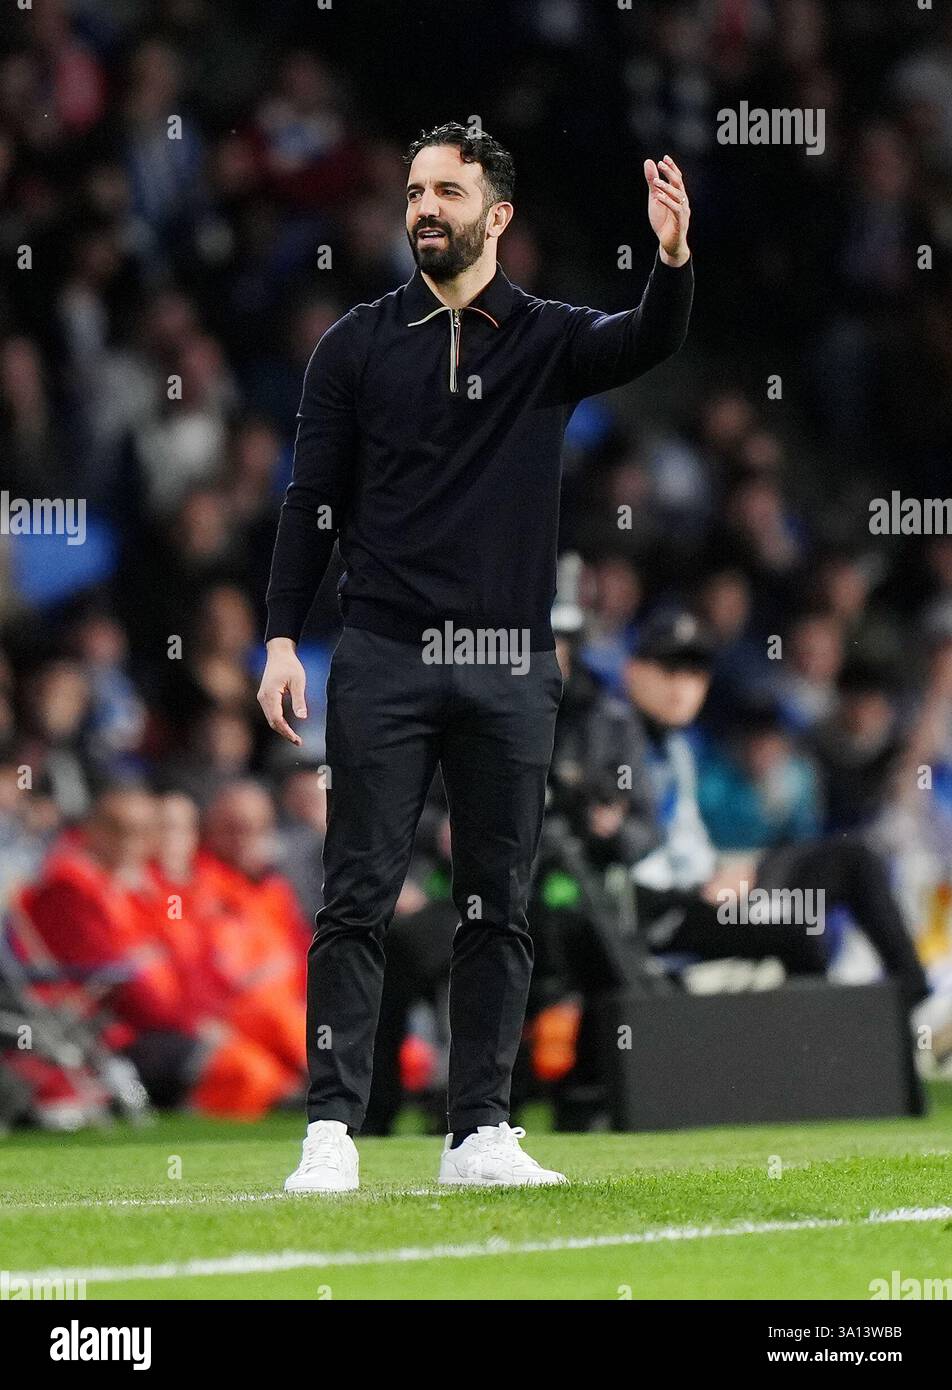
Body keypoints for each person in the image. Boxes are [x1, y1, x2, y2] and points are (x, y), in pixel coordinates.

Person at [257, 121, 694, 1191]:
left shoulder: (545, 337)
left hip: (507, 664)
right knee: (356, 895)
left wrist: (672, 261)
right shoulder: (355, 344)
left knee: (497, 899)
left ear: (495, 216)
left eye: (446, 192)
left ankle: (480, 1132)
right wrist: (278, 636)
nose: (423, 208)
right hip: (381, 654)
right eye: (413, 189)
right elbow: (309, 503)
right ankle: (329, 1129)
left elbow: (647, 340)